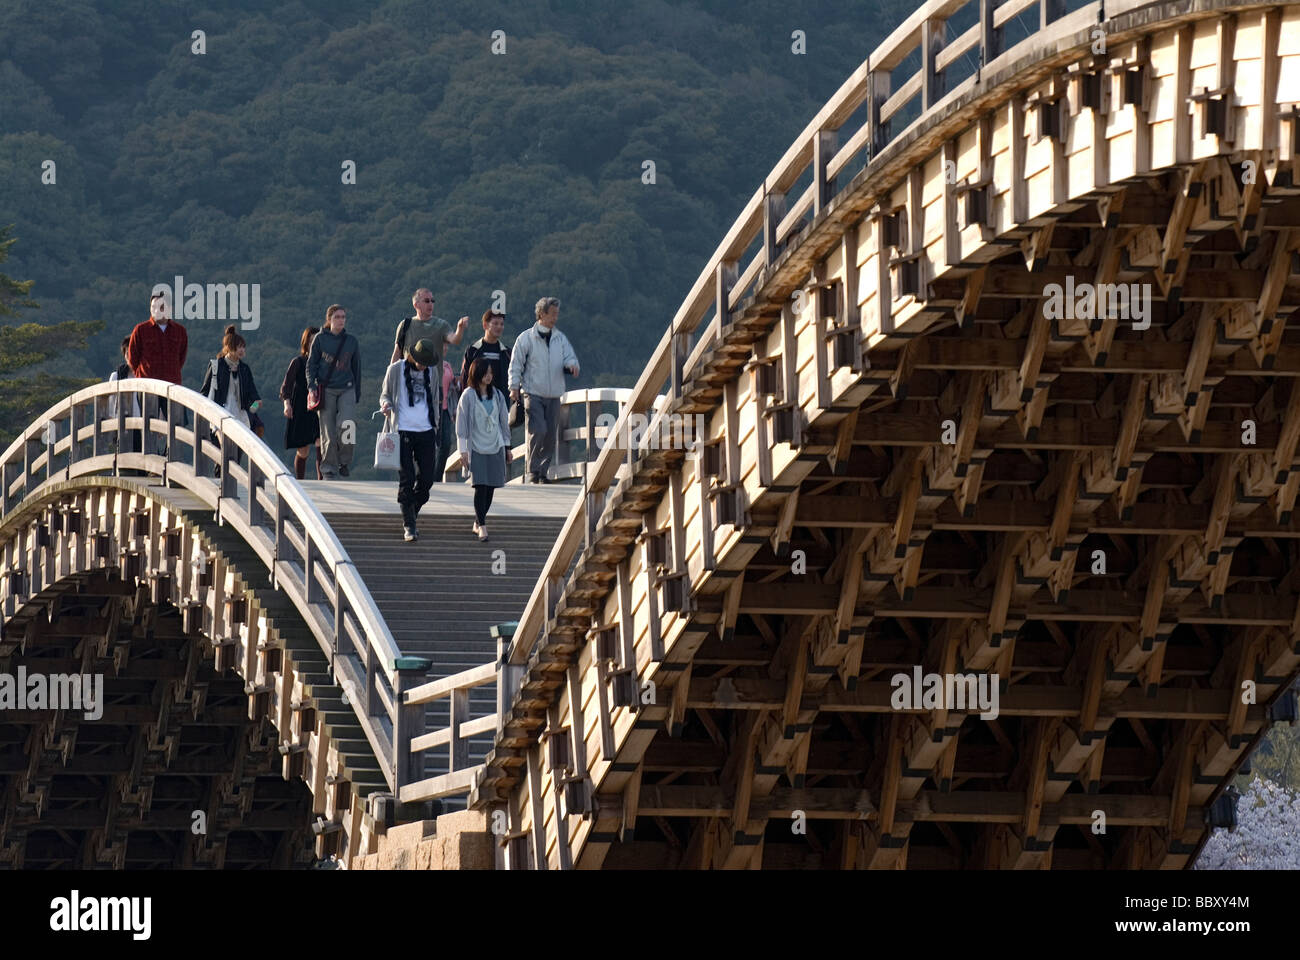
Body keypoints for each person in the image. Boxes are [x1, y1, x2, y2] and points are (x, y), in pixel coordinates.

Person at [508, 296, 579, 483]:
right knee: (537, 430)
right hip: (533, 392)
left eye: (557, 314)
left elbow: (570, 357)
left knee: (549, 436)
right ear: (542, 314)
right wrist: (514, 387)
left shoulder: (559, 338)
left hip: (554, 394)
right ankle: (532, 470)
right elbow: (516, 364)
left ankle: (542, 472)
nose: (555, 318)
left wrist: (572, 365)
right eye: (552, 314)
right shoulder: (526, 338)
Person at [379, 338, 442, 542]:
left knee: (426, 480)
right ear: (412, 356)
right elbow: (385, 395)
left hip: (426, 429)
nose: (423, 365)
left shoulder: (432, 372)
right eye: (420, 360)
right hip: (402, 429)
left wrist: (436, 425)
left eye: (426, 361)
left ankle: (411, 511)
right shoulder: (396, 370)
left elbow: (435, 398)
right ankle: (409, 525)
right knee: (407, 478)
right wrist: (386, 405)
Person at [457, 358, 511, 541]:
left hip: (495, 445)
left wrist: (507, 446)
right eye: (485, 373)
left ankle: (478, 521)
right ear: (477, 373)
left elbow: (504, 422)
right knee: (480, 486)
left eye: (491, 373)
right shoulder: (468, 396)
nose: (489, 377)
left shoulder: (497, 395)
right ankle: (482, 526)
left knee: (491, 487)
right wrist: (462, 450)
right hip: (477, 447)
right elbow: (462, 425)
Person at [128, 290, 188, 454]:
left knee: (175, 425)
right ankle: (150, 463)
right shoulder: (140, 330)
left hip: (172, 384)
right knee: (150, 425)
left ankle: (171, 459)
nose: (156, 310)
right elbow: (133, 358)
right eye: (153, 306)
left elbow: (181, 357)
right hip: (148, 385)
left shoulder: (180, 331)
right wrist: (143, 376)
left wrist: (172, 372)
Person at [307, 304, 361, 479]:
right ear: (329, 319)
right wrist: (311, 387)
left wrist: (357, 393)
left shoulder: (351, 341)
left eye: (343, 317)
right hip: (326, 388)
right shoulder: (320, 339)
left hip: (347, 388)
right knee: (328, 431)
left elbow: (357, 368)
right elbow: (311, 365)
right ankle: (329, 468)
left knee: (348, 425)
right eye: (337, 317)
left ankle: (344, 461)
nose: (340, 320)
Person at [199, 325, 262, 428]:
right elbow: (204, 392)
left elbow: (256, 399)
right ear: (229, 347)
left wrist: (252, 410)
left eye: (243, 347)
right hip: (220, 414)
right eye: (239, 347)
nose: (242, 350)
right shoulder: (217, 366)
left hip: (241, 417)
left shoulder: (244, 369)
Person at [280, 326, 322, 480]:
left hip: (319, 406)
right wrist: (287, 404)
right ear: (306, 342)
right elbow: (286, 385)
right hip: (300, 407)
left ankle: (322, 481)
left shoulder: (323, 363)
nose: (313, 344)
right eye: (311, 341)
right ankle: (300, 481)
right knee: (303, 450)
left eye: (316, 341)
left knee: (320, 443)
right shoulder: (298, 362)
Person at [391, 288, 470, 368]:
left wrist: (460, 329)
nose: (430, 304)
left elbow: (455, 340)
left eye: (432, 301)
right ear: (416, 304)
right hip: (408, 378)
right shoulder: (405, 325)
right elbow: (397, 352)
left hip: (433, 379)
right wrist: (390, 375)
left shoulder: (441, 325)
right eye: (426, 301)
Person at [460, 308, 511, 398]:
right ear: (485, 325)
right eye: (495, 323)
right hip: (476, 401)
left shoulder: (507, 353)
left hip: (501, 402)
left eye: (501, 324)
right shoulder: (472, 351)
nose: (499, 327)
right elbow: (464, 379)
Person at [107, 335, 142, 463]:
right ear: (124, 355)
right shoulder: (117, 376)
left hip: (141, 424)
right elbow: (110, 404)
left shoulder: (145, 376)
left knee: (142, 459)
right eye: (128, 353)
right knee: (125, 459)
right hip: (122, 424)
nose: (131, 356)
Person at [432, 357, 457, 482]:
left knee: (446, 444)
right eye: (443, 345)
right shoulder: (429, 364)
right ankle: (426, 475)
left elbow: (452, 388)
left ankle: (436, 477)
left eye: (447, 345)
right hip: (431, 410)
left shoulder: (447, 365)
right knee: (430, 444)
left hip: (446, 409)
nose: (445, 348)